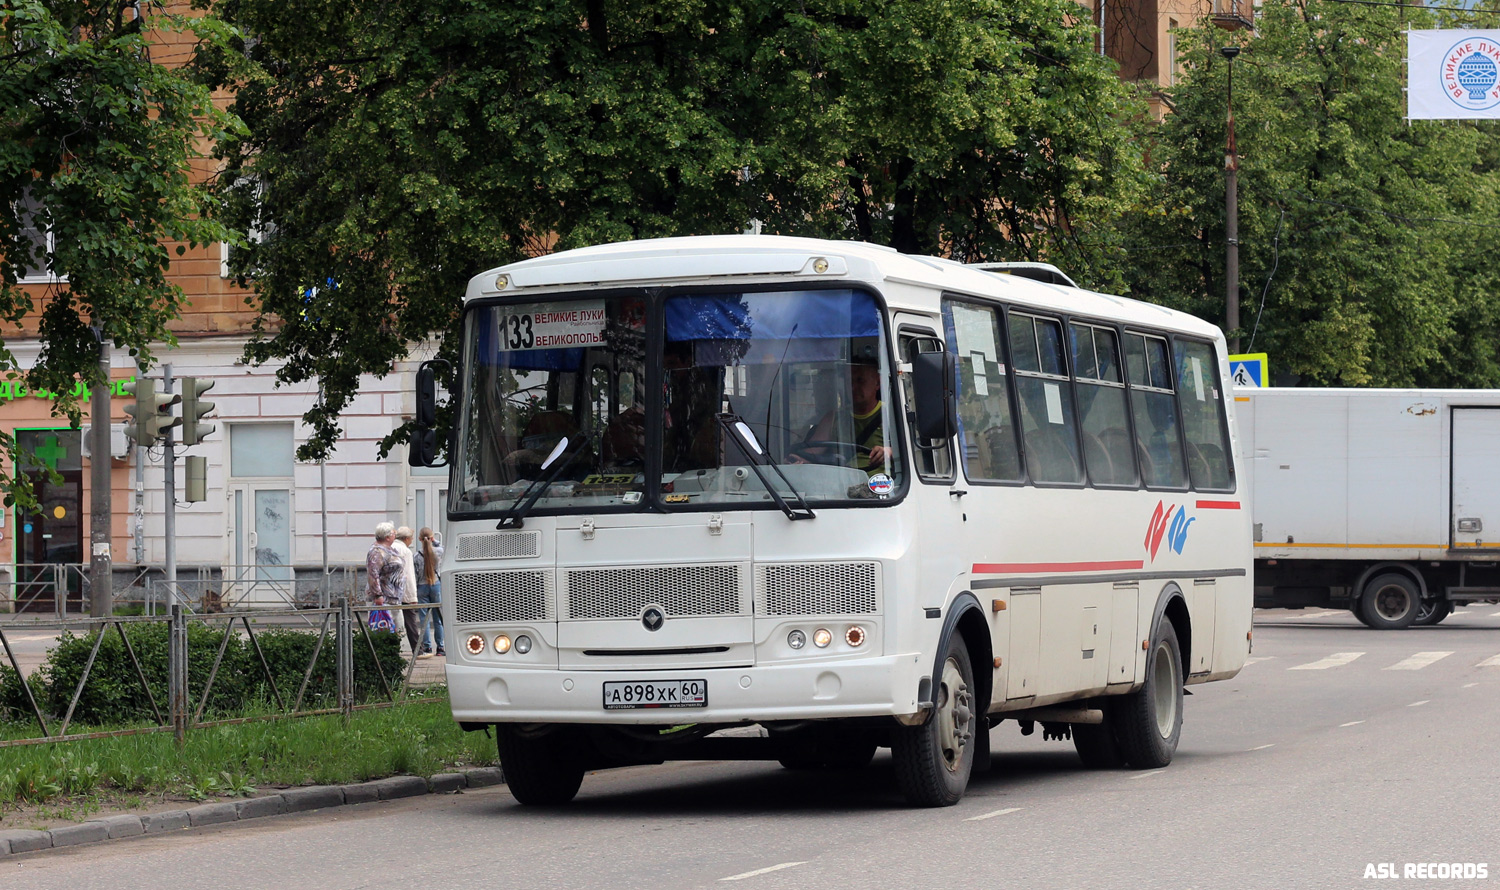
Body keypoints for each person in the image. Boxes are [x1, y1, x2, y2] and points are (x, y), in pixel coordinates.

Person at [790, 359, 892, 472]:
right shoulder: (833, 418)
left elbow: (909, 451)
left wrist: (888, 451)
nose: (853, 387)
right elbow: (812, 453)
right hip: (841, 485)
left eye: (860, 380)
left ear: (877, 383)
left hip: (880, 486)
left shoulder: (891, 414)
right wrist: (796, 460)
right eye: (849, 381)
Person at [413, 527, 445, 657]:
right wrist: (434, 541)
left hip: (421, 587)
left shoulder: (416, 556)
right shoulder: (438, 552)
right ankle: (440, 647)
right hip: (435, 585)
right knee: (438, 619)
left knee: (424, 619)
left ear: (420, 539)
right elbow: (443, 547)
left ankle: (427, 647)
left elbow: (414, 575)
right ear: (432, 538)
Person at [365, 523, 404, 628]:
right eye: (393, 533)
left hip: (394, 597)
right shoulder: (376, 551)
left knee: (398, 630)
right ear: (387, 537)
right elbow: (373, 574)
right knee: (384, 630)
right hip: (384, 598)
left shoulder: (390, 549)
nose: (395, 535)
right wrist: (378, 595)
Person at [393, 527, 423, 655]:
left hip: (390, 592)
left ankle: (392, 651)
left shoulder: (389, 546)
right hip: (404, 592)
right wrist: (413, 597)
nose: (411, 541)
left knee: (393, 622)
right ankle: (418, 650)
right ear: (406, 539)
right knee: (411, 622)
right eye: (411, 538)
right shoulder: (406, 551)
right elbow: (409, 574)